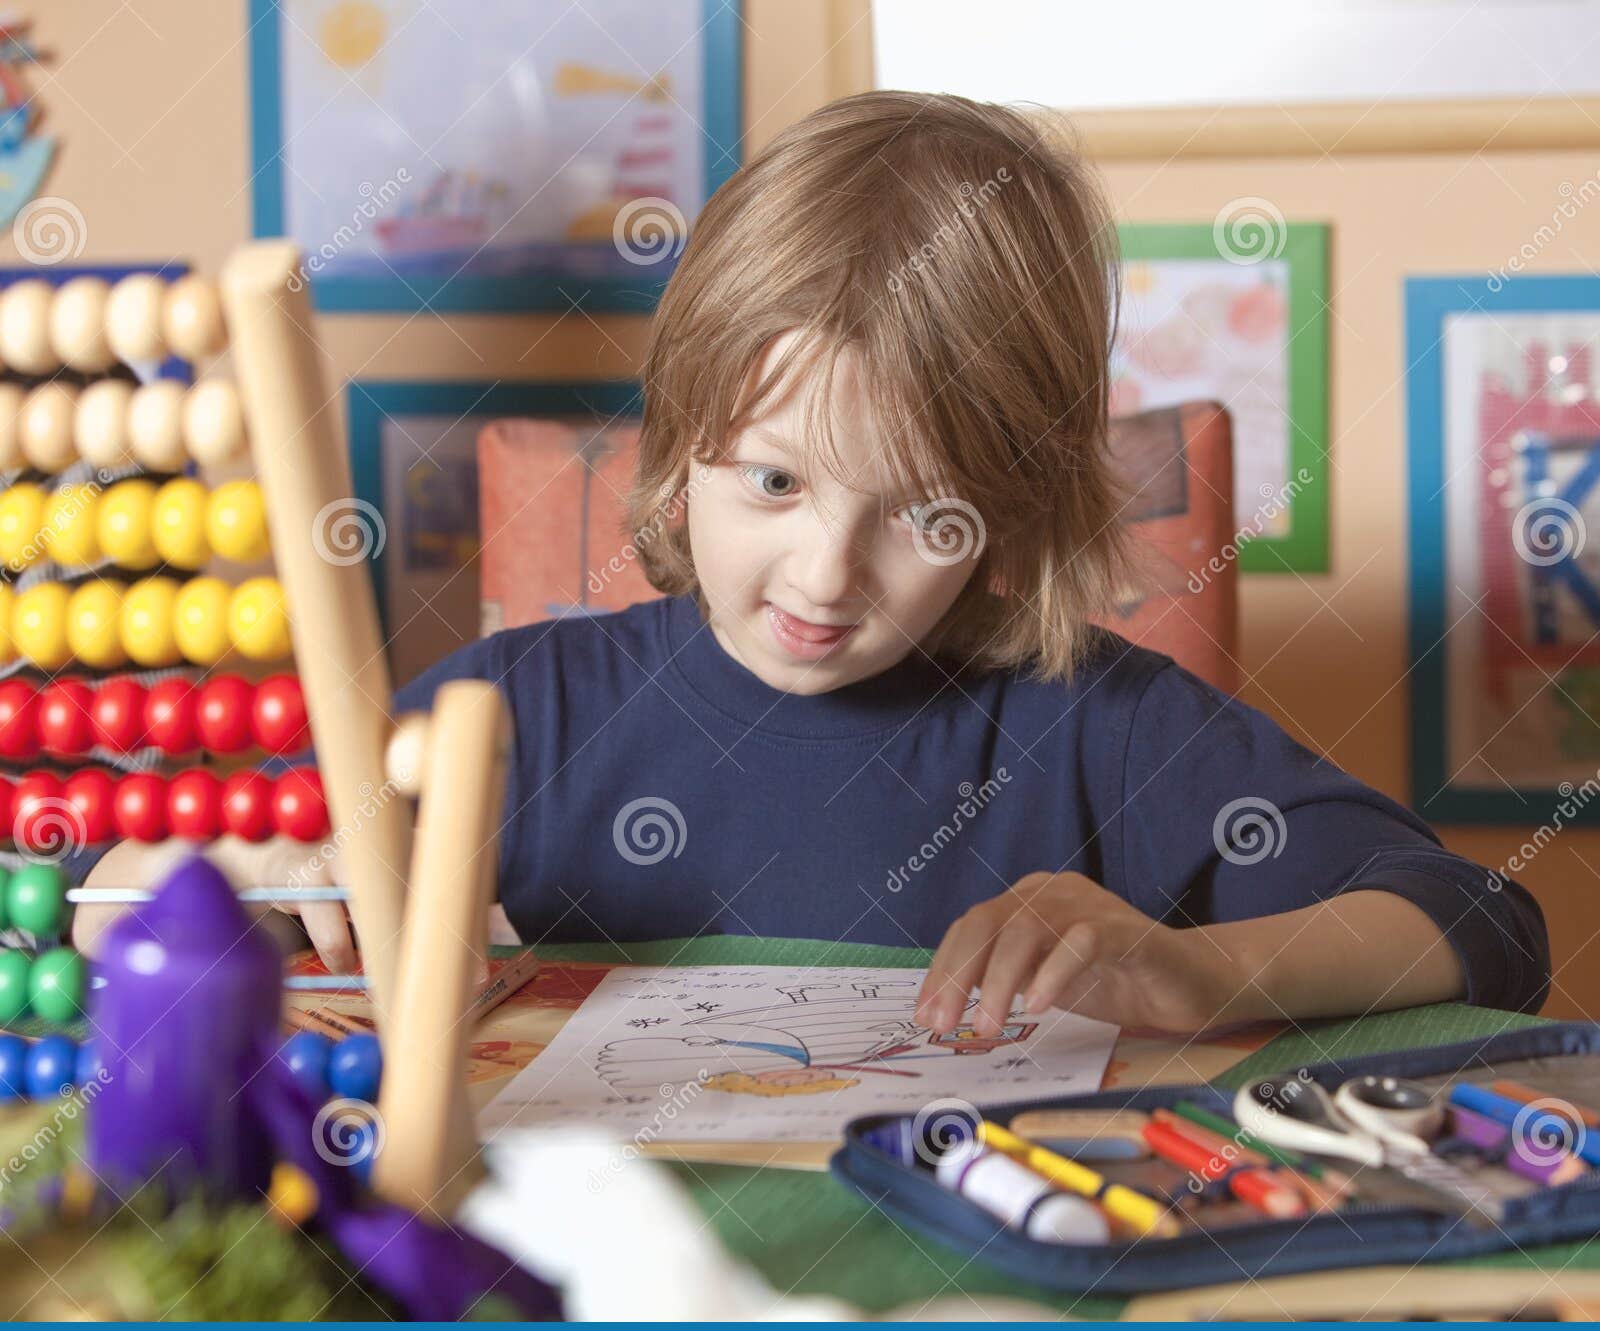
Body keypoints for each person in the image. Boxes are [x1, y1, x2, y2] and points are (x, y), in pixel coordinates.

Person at [76, 91, 1549, 1035]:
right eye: (770, 481)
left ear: (1015, 513)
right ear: (678, 451)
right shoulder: (516, 719)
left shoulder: (1104, 730)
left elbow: (1481, 922)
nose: (826, 574)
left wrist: (1199, 971)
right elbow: (89, 878)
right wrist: (218, 869)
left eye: (922, 513)